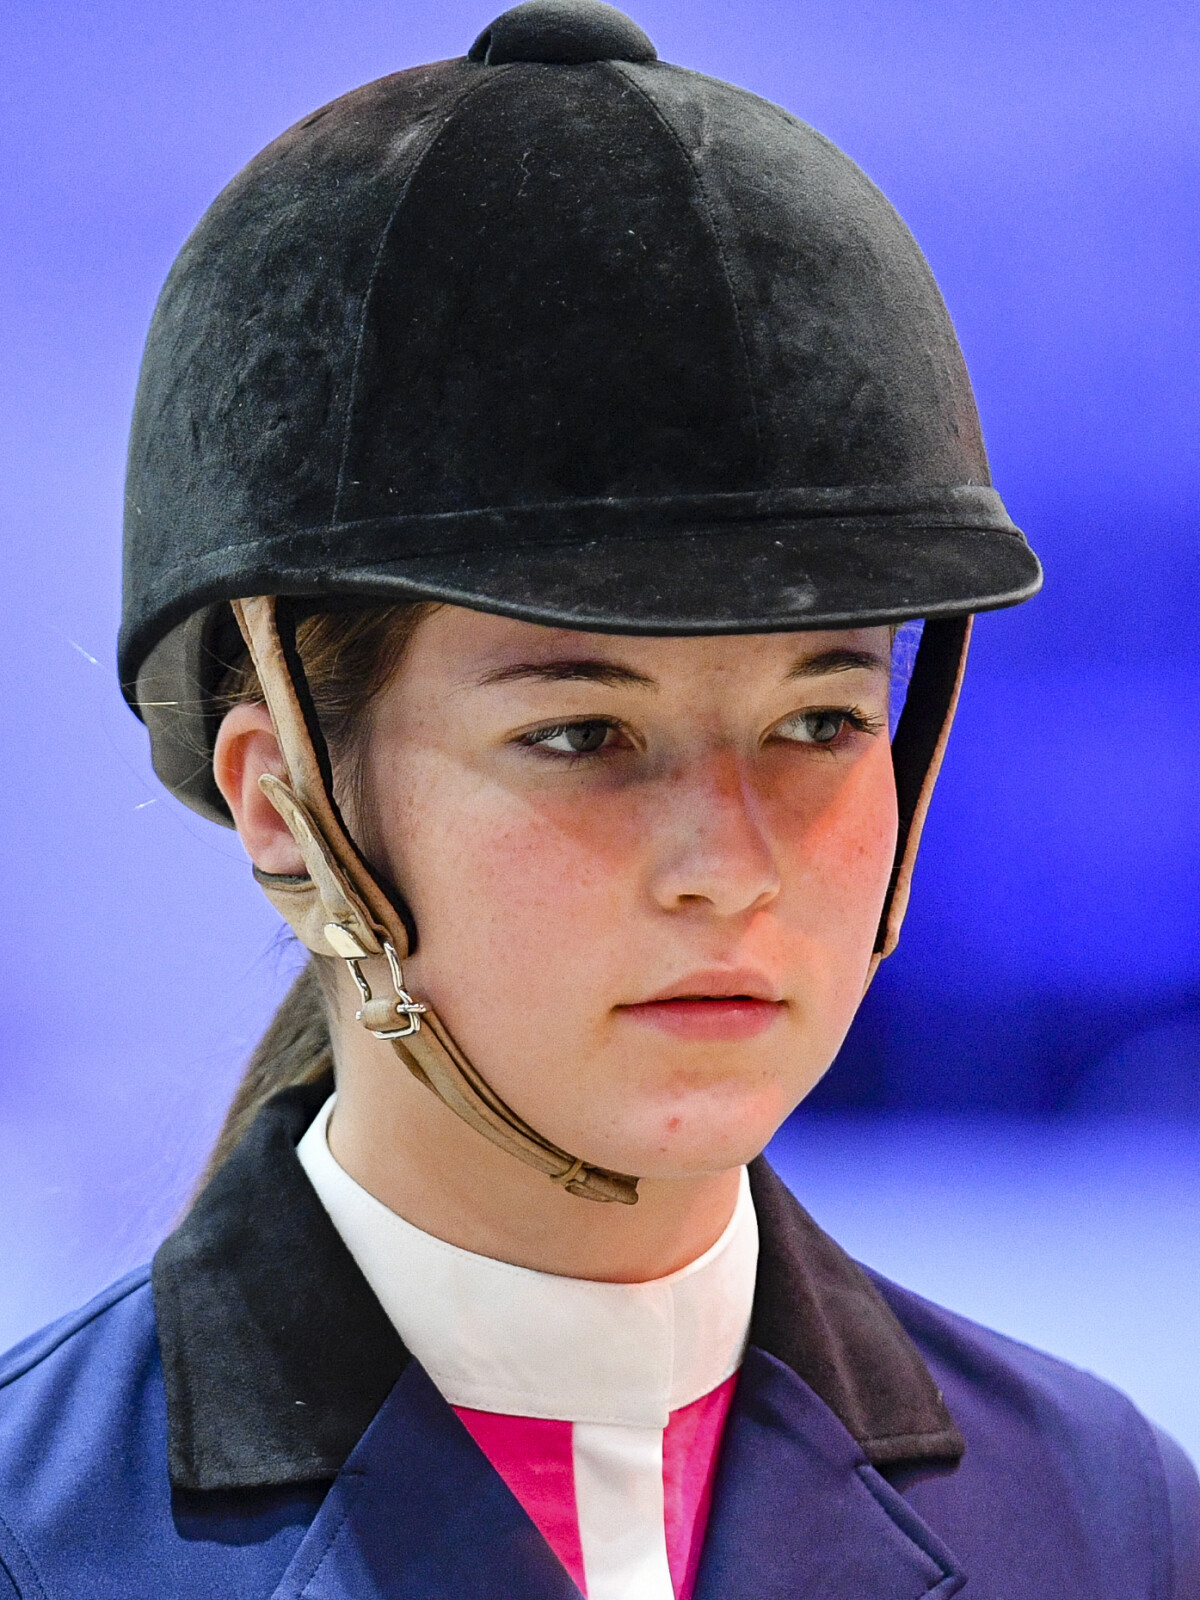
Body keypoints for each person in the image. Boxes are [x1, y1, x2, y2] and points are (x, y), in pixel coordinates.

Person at [0, 2, 1195, 1595]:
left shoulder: (1103, 1519)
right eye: (585, 735)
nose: (730, 865)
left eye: (821, 720)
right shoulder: (37, 1542)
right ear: (285, 803)